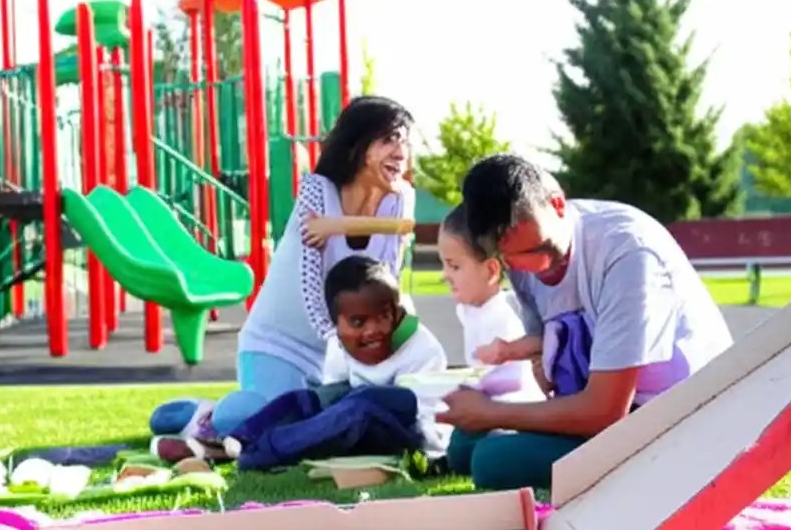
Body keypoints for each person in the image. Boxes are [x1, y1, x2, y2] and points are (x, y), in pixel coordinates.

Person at [435, 153, 733, 491]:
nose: (536, 267)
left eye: (541, 249)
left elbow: (604, 412)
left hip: (674, 425)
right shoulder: (522, 254)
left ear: (558, 204)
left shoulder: (628, 254)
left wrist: (492, 413)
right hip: (607, 414)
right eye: (512, 259)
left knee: (492, 460)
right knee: (464, 445)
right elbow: (547, 352)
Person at [211, 96, 417, 434]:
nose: (400, 152)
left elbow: (387, 281)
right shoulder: (316, 191)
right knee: (256, 422)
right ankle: (202, 419)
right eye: (388, 140)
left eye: (405, 142)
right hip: (280, 345)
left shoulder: (400, 199)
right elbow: (310, 289)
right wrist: (350, 344)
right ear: (357, 146)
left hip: (342, 351)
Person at [221, 255, 448, 469]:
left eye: (383, 316)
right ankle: (242, 437)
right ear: (336, 326)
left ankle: (266, 452)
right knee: (308, 398)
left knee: (365, 403)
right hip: (350, 421)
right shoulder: (339, 344)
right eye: (358, 322)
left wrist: (428, 458)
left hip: (402, 430)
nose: (373, 330)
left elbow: (425, 425)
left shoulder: (422, 349)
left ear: (397, 313)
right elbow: (332, 398)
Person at [436, 204, 546, 404]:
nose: (445, 275)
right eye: (443, 265)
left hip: (514, 409)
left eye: (454, 266)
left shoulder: (505, 318)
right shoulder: (467, 310)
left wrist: (465, 385)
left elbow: (515, 380)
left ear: (491, 271)